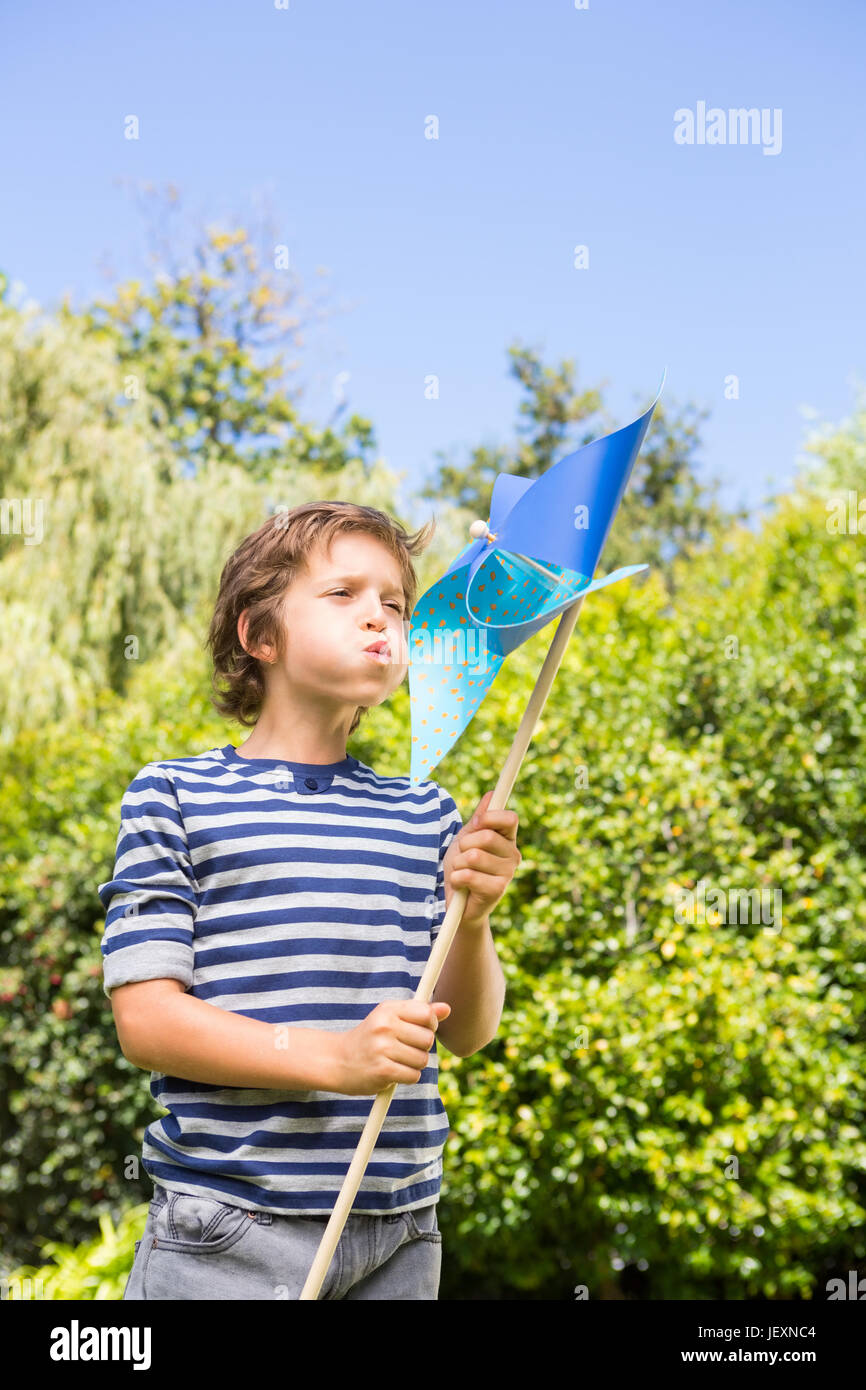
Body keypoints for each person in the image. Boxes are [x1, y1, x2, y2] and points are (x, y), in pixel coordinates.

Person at [97, 500, 521, 1300]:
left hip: (400, 1232)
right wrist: (334, 1060)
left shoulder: (427, 814)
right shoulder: (176, 796)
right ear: (261, 636)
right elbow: (146, 1020)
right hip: (228, 1233)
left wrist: (475, 920)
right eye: (344, 595)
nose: (382, 619)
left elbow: (465, 1032)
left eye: (396, 604)